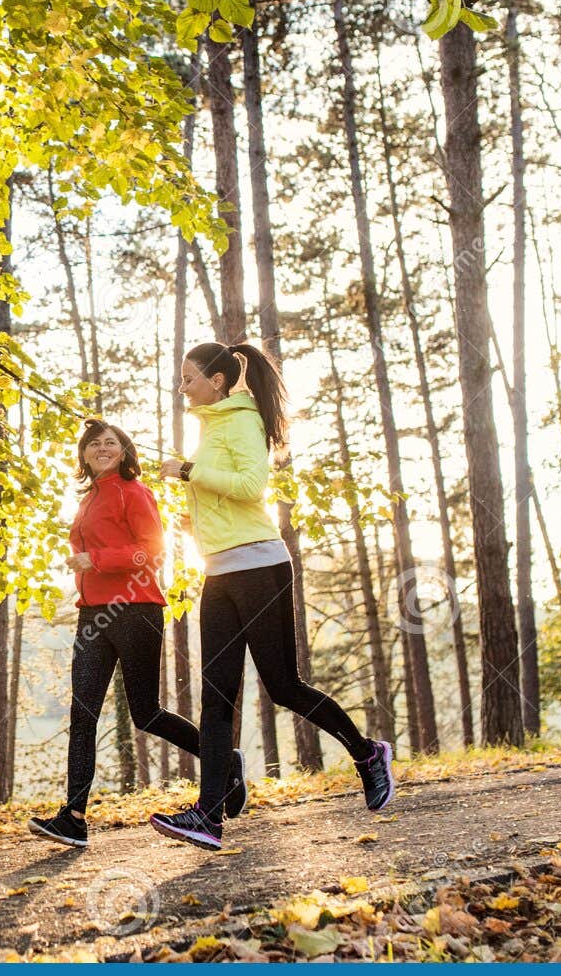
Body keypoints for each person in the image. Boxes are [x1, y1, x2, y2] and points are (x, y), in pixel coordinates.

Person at [147, 341, 395, 851]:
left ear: (217, 381)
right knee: (216, 699)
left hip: (260, 567)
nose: (183, 386)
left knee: (284, 686)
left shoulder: (242, 420)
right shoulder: (212, 426)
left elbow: (251, 485)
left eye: (188, 377)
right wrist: (197, 522)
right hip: (218, 572)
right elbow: (228, 499)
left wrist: (190, 472)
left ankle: (367, 754)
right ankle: (208, 817)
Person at [28, 418, 245, 848]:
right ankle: (73, 818)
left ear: (125, 452)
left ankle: (224, 761)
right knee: (82, 715)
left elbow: (153, 552)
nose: (102, 448)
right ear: (84, 455)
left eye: (111, 442)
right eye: (94, 444)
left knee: (145, 713)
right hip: (92, 615)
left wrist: (98, 560)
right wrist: (86, 565)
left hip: (136, 610)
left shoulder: (135, 492)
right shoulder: (88, 497)